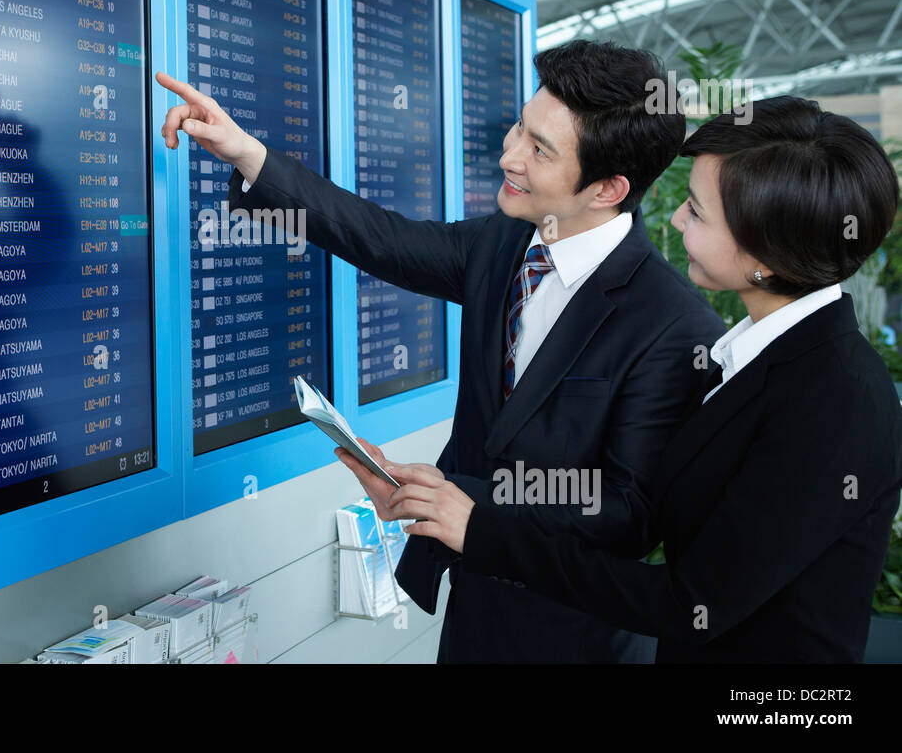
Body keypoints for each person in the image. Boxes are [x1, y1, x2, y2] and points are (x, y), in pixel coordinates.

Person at [157, 39, 726, 663]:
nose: (508, 156)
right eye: (519, 127)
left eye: (539, 150)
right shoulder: (504, 244)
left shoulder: (673, 326)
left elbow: (629, 512)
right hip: (474, 619)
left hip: (576, 637)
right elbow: (379, 237)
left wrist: (470, 503)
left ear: (607, 189)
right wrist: (249, 154)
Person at [355, 96, 902, 662]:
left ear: (764, 252)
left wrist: (481, 530)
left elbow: (691, 602)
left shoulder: (834, 401)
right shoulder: (758, 360)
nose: (675, 219)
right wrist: (447, 496)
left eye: (697, 211)